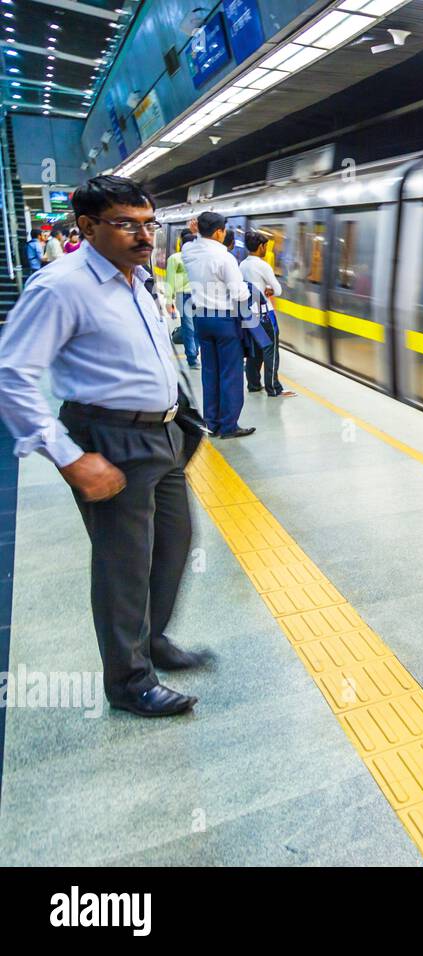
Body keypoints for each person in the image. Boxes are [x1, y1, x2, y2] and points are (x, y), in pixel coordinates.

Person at [0, 174, 213, 717]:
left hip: (163, 432)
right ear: (88, 226)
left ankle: (151, 639)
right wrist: (71, 458)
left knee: (173, 542)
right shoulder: (60, 286)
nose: (145, 237)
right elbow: (11, 376)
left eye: (149, 224)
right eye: (126, 225)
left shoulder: (135, 278)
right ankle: (129, 680)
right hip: (111, 436)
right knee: (124, 561)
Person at [182, 211, 254, 439]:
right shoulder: (225, 258)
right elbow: (239, 293)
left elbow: (191, 245)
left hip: (201, 319)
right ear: (219, 232)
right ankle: (229, 426)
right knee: (230, 373)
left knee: (210, 372)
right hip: (224, 320)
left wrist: (196, 235)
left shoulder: (189, 252)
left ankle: (211, 423)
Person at [240, 231, 294, 397]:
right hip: (265, 315)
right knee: (270, 350)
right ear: (261, 247)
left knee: (254, 351)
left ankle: (254, 385)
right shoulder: (262, 265)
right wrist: (269, 290)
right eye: (265, 246)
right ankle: (273, 387)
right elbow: (277, 289)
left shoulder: (242, 265)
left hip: (249, 314)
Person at [164, 231, 198, 369]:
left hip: (198, 295)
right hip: (182, 295)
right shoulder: (175, 258)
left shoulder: (198, 258)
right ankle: (192, 357)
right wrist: (168, 300)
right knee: (188, 327)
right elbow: (170, 280)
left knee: (197, 327)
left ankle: (195, 352)